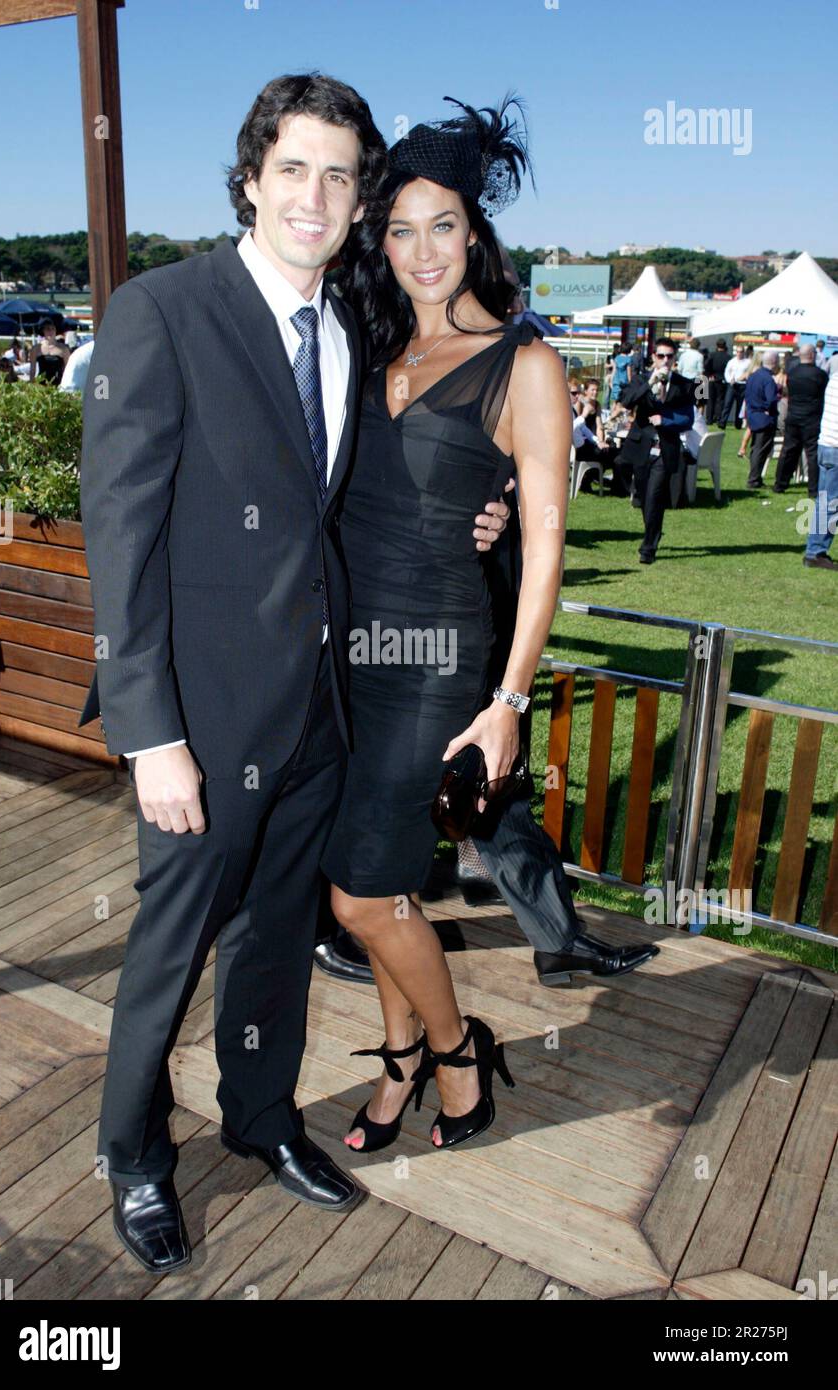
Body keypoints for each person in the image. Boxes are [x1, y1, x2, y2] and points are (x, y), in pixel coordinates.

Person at [76, 73, 516, 1277]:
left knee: (274, 939)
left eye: (339, 174)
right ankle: (131, 1154)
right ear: (251, 179)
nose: (316, 196)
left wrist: (493, 511)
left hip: (318, 710)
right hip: (201, 721)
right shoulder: (162, 312)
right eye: (294, 169)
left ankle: (261, 1118)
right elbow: (117, 535)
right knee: (169, 952)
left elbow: (385, 483)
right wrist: (149, 731)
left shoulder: (353, 329)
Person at [321, 97, 657, 1157]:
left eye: (443, 225)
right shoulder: (362, 345)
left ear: (475, 234)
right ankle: (398, 1056)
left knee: (362, 894)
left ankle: (459, 1052)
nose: (422, 250)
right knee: (364, 880)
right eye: (400, 228)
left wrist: (508, 702)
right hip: (344, 658)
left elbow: (547, 546)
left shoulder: (526, 365)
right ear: (381, 240)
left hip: (434, 661)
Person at [616, 337, 695, 563]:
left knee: (655, 496)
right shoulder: (641, 379)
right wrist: (649, 383)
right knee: (642, 497)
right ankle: (653, 531)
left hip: (665, 449)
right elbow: (627, 402)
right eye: (661, 356)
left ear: (675, 358)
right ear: (653, 357)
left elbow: (688, 418)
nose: (665, 360)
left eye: (670, 356)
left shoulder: (684, 384)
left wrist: (666, 419)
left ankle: (647, 549)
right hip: (641, 447)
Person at [773, 344, 828, 496]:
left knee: (788, 451)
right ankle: (813, 489)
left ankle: (780, 484)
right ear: (811, 355)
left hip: (793, 416)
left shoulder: (792, 373)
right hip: (812, 419)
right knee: (812, 454)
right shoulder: (820, 375)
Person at [803, 354, 838, 570]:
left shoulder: (833, 379)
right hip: (834, 446)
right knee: (830, 504)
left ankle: (815, 549)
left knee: (826, 502)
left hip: (826, 444)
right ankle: (815, 551)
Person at [744, 349, 779, 488]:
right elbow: (771, 400)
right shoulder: (768, 379)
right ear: (774, 362)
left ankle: (755, 477)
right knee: (761, 449)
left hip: (753, 414)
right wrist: (766, 408)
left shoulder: (753, 376)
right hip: (764, 417)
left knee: (756, 448)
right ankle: (754, 479)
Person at [719, 342, 752, 428]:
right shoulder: (731, 361)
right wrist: (730, 380)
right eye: (738, 351)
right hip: (732, 385)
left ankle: (738, 424)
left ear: (743, 352)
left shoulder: (748, 362)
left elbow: (750, 372)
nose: (739, 353)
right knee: (727, 404)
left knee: (740, 406)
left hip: (743, 385)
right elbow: (727, 372)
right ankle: (722, 423)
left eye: (741, 352)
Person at [29, 318, 70, 384]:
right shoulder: (36, 349)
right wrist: (31, 385)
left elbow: (67, 370)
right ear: (43, 331)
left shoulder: (64, 349)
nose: (50, 331)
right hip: (41, 384)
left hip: (58, 383)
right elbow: (32, 370)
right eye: (48, 329)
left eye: (53, 329)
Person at [705, 338, 730, 425]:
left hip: (712, 378)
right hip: (722, 379)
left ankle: (709, 419)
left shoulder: (711, 355)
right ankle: (718, 417)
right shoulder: (728, 357)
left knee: (710, 400)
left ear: (717, 345)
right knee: (720, 400)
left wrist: (708, 375)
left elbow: (707, 366)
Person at [608, 339, 632, 418]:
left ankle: (610, 416)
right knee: (621, 403)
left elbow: (614, 370)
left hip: (615, 382)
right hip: (623, 384)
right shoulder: (628, 359)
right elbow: (629, 373)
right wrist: (631, 383)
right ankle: (612, 418)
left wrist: (611, 380)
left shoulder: (617, 358)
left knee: (614, 402)